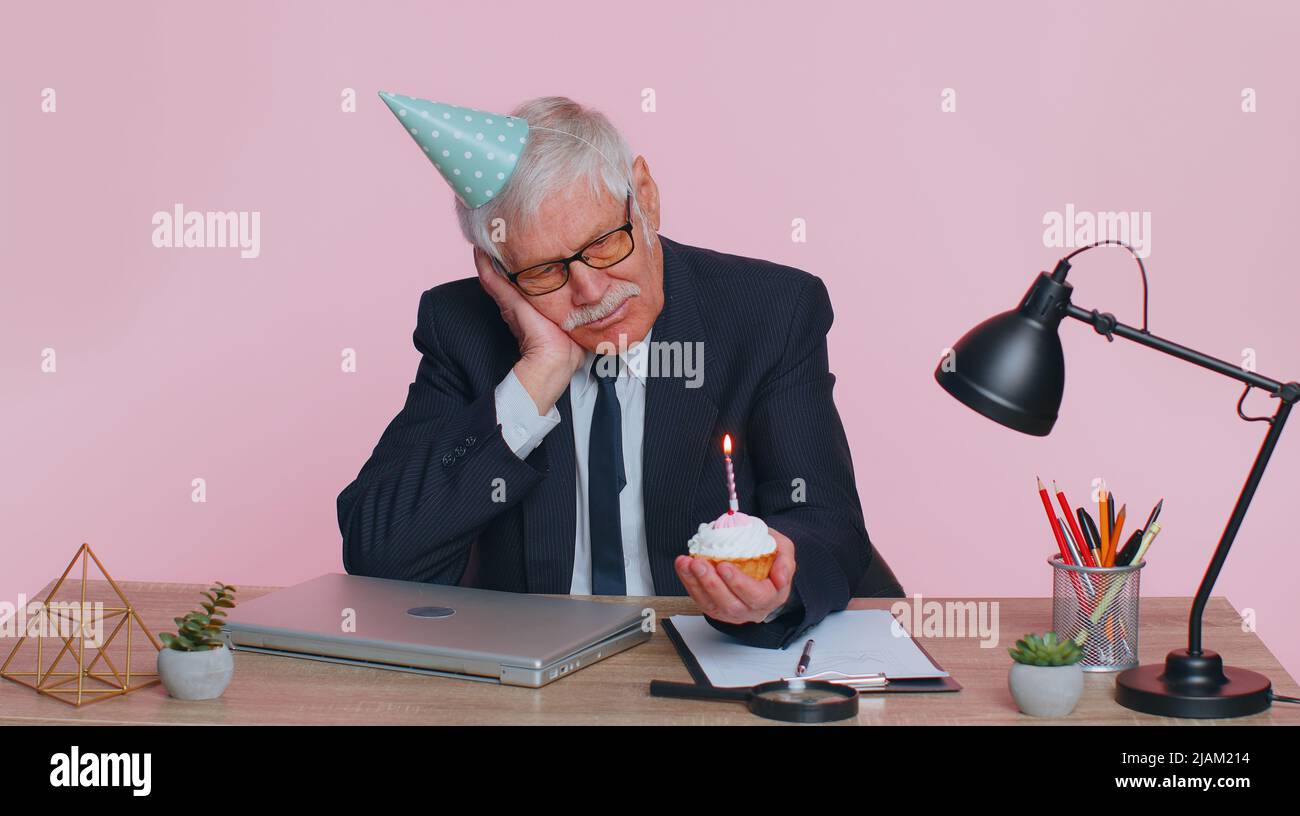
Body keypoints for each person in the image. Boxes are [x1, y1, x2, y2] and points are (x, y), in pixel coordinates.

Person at [338, 94, 901, 648]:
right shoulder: (463, 330)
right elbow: (382, 553)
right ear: (502, 277)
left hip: (709, 659)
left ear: (646, 200)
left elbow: (827, 520)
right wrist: (536, 375)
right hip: (537, 682)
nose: (591, 291)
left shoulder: (770, 311)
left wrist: (775, 586)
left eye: (605, 243)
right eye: (543, 271)